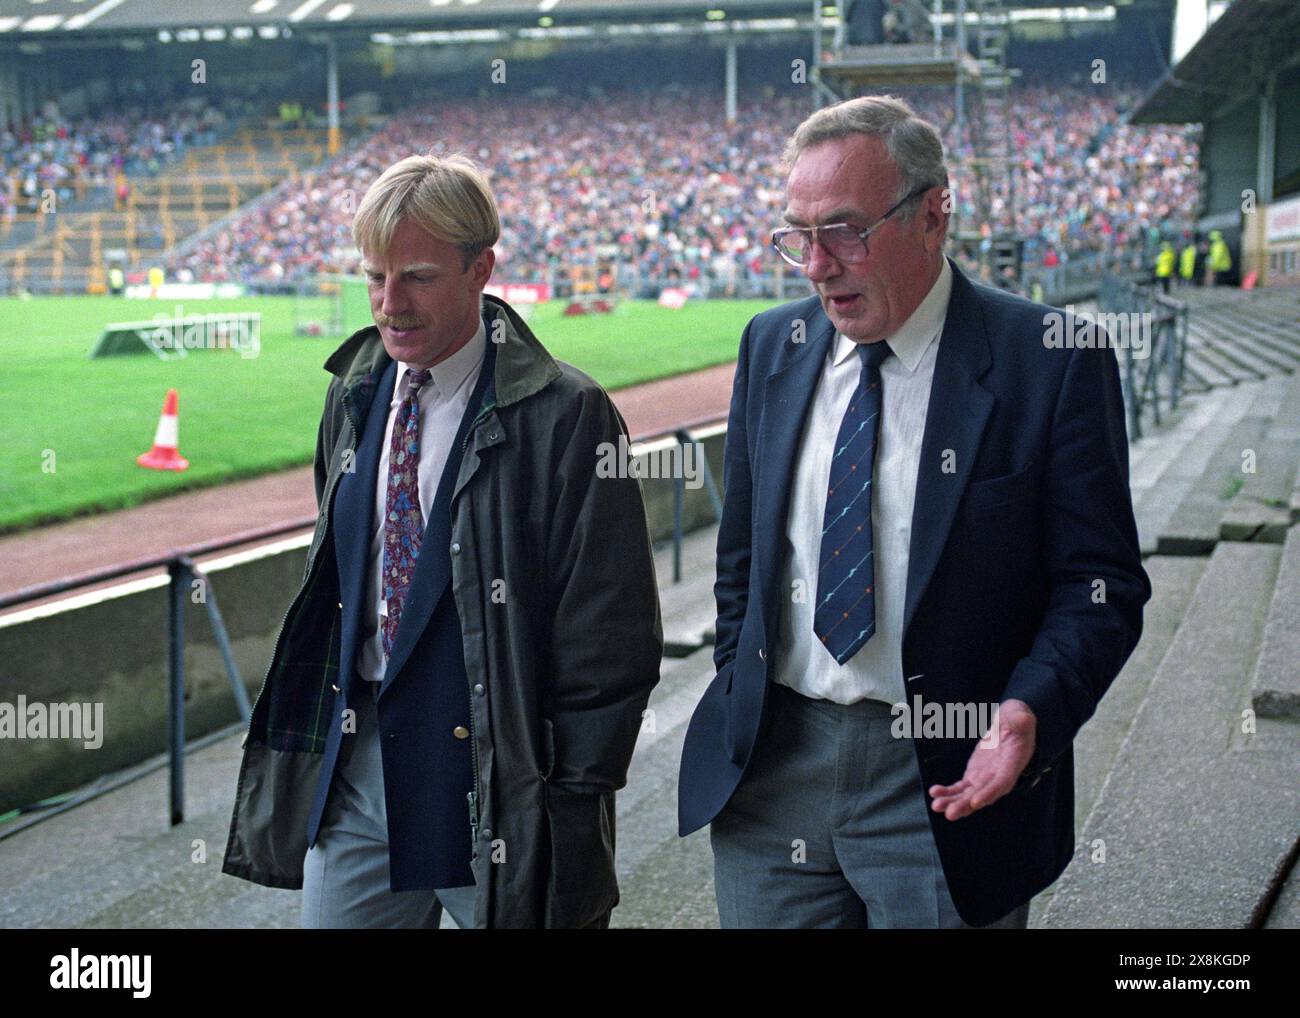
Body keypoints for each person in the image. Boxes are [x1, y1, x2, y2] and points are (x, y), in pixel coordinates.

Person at [677, 95, 1150, 929]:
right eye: (797, 235)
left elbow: (1100, 586)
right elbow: (743, 557)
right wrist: (738, 681)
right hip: (773, 776)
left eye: (845, 232)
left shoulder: (1053, 361)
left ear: (933, 216)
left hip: (950, 778)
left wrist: (1029, 711)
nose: (816, 265)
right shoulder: (771, 344)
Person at [222, 152, 663, 928]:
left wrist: (568, 796)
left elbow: (612, 632)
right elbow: (340, 573)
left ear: (480, 269)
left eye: (418, 277)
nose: (390, 303)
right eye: (375, 277)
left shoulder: (568, 414)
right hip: (358, 771)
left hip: (504, 783)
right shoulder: (353, 392)